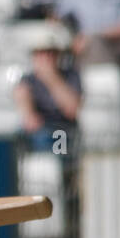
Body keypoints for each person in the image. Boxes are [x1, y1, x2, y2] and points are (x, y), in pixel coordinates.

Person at [14, 23, 82, 154]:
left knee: (57, 138)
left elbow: (72, 109)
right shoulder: (27, 81)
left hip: (63, 129)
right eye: (42, 53)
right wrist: (29, 115)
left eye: (51, 53)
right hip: (39, 131)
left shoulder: (71, 76)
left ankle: (60, 172)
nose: (47, 57)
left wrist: (51, 78)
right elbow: (28, 116)